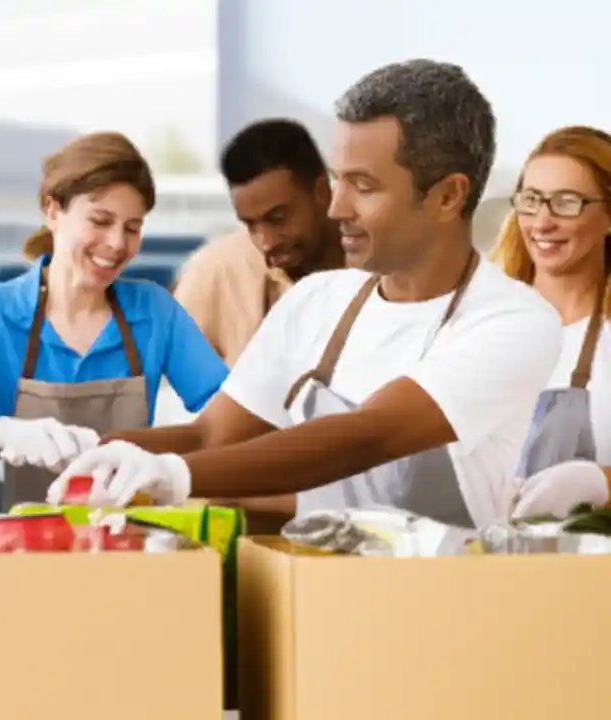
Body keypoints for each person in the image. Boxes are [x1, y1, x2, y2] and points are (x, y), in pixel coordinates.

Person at [48, 59, 562, 530]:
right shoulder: (315, 302)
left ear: (448, 195)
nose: (336, 207)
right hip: (307, 589)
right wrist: (96, 450)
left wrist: (176, 476)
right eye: (337, 180)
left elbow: (369, 435)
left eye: (363, 185)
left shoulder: (513, 322)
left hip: (442, 604)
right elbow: (211, 438)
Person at [0, 131, 227, 511]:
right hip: (26, 545)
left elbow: (231, 421)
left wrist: (161, 459)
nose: (117, 243)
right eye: (100, 220)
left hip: (127, 541)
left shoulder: (154, 312)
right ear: (53, 211)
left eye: (132, 227)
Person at [491, 127, 611, 519]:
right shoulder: (478, 325)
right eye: (531, 201)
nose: (542, 222)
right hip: (475, 568)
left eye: (567, 202)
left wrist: (600, 484)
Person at [174, 118, 344, 365]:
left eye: (277, 219)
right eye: (250, 225)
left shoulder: (387, 267)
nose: (266, 243)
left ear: (321, 192)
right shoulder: (216, 271)